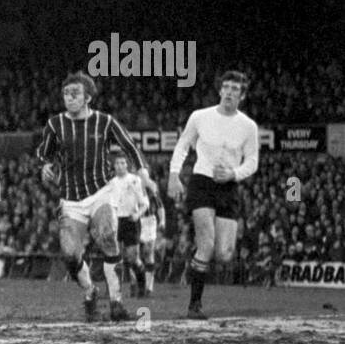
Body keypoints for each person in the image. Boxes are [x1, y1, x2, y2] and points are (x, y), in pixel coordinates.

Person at [36, 71, 150, 322]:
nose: (69, 97)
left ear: (88, 97)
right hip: (70, 199)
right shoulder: (55, 125)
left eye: (75, 93)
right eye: (66, 93)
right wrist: (44, 166)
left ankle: (117, 303)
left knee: (109, 238)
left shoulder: (105, 122)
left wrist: (143, 172)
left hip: (100, 192)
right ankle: (90, 291)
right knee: (69, 254)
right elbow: (44, 154)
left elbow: (130, 146)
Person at [167, 71, 260, 319]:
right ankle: (194, 305)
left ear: (242, 95)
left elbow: (253, 162)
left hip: (228, 187)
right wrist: (174, 175)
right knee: (206, 244)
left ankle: (195, 266)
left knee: (224, 254)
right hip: (202, 183)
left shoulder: (248, 126)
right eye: (226, 87)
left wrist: (233, 174)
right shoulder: (200, 117)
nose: (229, 92)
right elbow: (183, 145)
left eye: (235, 89)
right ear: (220, 90)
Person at [106, 149, 150, 300]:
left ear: (127, 165)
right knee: (114, 258)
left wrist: (138, 214)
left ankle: (142, 286)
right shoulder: (111, 183)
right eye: (117, 163)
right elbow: (110, 205)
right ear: (114, 166)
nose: (119, 166)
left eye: (122, 163)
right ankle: (113, 291)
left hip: (131, 221)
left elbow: (145, 204)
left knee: (132, 258)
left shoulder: (135, 180)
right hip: (117, 222)